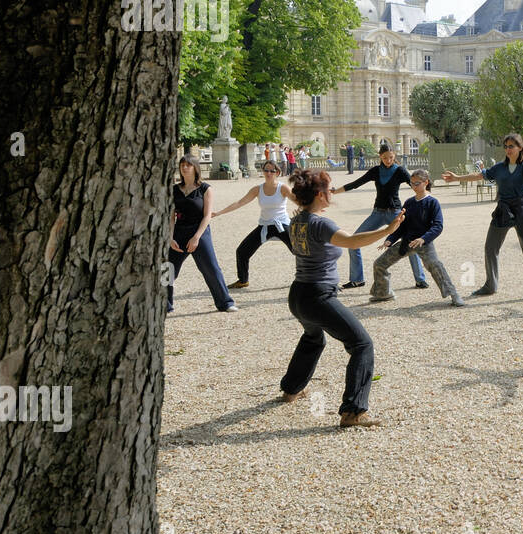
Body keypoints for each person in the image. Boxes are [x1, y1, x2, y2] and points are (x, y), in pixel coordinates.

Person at [279, 169, 402, 428]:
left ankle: (291, 389)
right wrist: (388, 230)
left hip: (298, 294)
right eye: (329, 189)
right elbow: (353, 242)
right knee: (362, 345)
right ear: (319, 195)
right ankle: (353, 412)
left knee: (313, 338)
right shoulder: (320, 224)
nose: (331, 193)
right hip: (317, 296)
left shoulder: (298, 221)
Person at [442, 134, 523, 299]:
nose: (508, 149)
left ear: (520, 148)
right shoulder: (499, 168)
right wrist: (457, 178)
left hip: (522, 208)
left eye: (511, 146)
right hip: (504, 208)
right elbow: (480, 175)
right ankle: (490, 286)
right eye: (506, 146)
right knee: (490, 247)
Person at [331, 141, 426, 290]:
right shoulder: (375, 171)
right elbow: (356, 183)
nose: (388, 161)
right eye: (385, 158)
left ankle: (420, 279)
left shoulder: (400, 170)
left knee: (410, 242)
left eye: (390, 157)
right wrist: (334, 192)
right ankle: (357, 279)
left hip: (395, 213)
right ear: (380, 157)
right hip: (377, 213)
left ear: (394, 156)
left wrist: (426, 196)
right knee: (353, 242)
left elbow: (415, 185)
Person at [370, 170, 464, 307]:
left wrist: (423, 239)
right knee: (379, 264)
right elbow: (402, 226)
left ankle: (454, 294)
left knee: (435, 265)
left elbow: (438, 226)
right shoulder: (408, 203)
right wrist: (390, 239)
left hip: (424, 243)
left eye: (417, 183)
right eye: (412, 184)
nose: (414, 186)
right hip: (407, 242)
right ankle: (383, 293)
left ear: (426, 182)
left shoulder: (433, 202)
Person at [208, 158, 296, 288]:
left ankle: (304, 278)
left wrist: (314, 208)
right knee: (242, 251)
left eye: (272, 171)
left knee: (299, 251)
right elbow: (240, 202)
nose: (269, 173)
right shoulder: (257, 189)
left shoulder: (283, 188)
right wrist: (219, 212)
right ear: (263, 171)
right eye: (266, 170)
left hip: (282, 225)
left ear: (277, 172)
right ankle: (243, 280)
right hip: (264, 225)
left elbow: (298, 200)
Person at [167, 155, 237, 313]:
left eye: (188, 165)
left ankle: (225, 302)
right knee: (167, 268)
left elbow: (207, 216)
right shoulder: (174, 190)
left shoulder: (205, 189)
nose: (185, 168)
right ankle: (164, 304)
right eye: (182, 165)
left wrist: (196, 237)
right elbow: (171, 217)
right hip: (179, 232)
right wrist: (170, 238)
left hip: (200, 231)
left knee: (211, 268)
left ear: (195, 168)